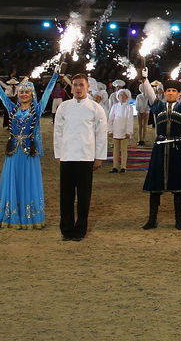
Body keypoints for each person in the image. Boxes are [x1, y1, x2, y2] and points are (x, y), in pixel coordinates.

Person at [0, 64, 58, 229]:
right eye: (22, 92)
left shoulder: (37, 110)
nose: (24, 94)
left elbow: (47, 93)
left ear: (32, 95)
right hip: (13, 152)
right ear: (18, 94)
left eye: (27, 92)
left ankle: (27, 216)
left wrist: (55, 75)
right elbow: (0, 92)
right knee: (12, 181)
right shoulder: (11, 108)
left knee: (27, 181)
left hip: (29, 152)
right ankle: (11, 215)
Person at [140, 72, 181, 230]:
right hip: (159, 149)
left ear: (178, 93)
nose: (171, 93)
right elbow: (150, 94)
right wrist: (145, 80)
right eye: (168, 91)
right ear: (164, 93)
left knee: (178, 187)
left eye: (174, 91)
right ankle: (152, 220)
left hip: (176, 150)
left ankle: (178, 221)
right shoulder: (158, 106)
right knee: (155, 187)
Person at [53, 73, 107, 241]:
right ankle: (67, 230)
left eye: (81, 85)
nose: (77, 88)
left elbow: (101, 134)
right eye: (75, 85)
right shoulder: (64, 107)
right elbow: (58, 132)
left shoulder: (96, 108)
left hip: (86, 157)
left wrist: (99, 157)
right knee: (66, 196)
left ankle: (80, 230)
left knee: (84, 196)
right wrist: (59, 154)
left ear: (87, 87)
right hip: (67, 157)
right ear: (71, 87)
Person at [107, 88, 134, 173]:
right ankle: (115, 166)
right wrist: (110, 130)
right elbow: (110, 119)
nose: (122, 97)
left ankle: (123, 167)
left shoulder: (129, 107)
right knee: (115, 149)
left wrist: (128, 132)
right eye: (120, 95)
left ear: (127, 96)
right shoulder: (114, 106)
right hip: (115, 130)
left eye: (124, 95)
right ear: (118, 96)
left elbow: (130, 120)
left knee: (123, 150)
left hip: (124, 131)